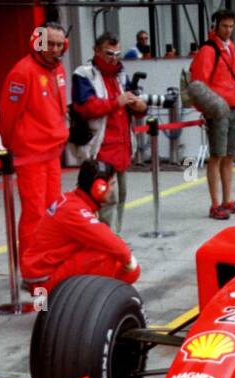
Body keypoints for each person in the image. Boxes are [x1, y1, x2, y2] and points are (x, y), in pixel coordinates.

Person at [0, 22, 69, 267]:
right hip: (31, 156)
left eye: (60, 44)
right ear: (38, 42)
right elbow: (7, 118)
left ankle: (47, 260)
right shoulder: (23, 72)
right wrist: (13, 149)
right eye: (50, 43)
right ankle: (31, 267)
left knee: (52, 212)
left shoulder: (58, 71)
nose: (55, 49)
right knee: (34, 214)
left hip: (52, 154)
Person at [66, 33, 147, 231]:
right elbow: (84, 106)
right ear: (96, 50)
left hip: (122, 148)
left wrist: (140, 107)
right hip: (100, 151)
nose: (113, 57)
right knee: (105, 200)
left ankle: (114, 240)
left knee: (121, 197)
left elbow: (133, 105)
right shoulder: (83, 74)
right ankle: (108, 244)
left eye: (117, 53)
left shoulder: (121, 75)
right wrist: (116, 102)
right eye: (108, 53)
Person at [20, 159, 140, 294]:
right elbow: (110, 242)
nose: (112, 190)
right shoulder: (74, 210)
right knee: (108, 255)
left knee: (106, 251)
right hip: (43, 283)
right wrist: (131, 264)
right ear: (98, 188)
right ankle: (108, 300)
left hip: (42, 277)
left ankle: (50, 308)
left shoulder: (72, 200)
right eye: (111, 184)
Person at [189, 8, 235, 219]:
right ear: (216, 26)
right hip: (219, 108)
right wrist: (211, 107)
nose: (228, 30)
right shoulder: (208, 50)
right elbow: (198, 84)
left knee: (228, 156)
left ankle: (227, 200)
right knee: (217, 156)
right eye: (224, 26)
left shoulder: (231, 47)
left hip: (232, 104)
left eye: (231, 26)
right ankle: (215, 204)